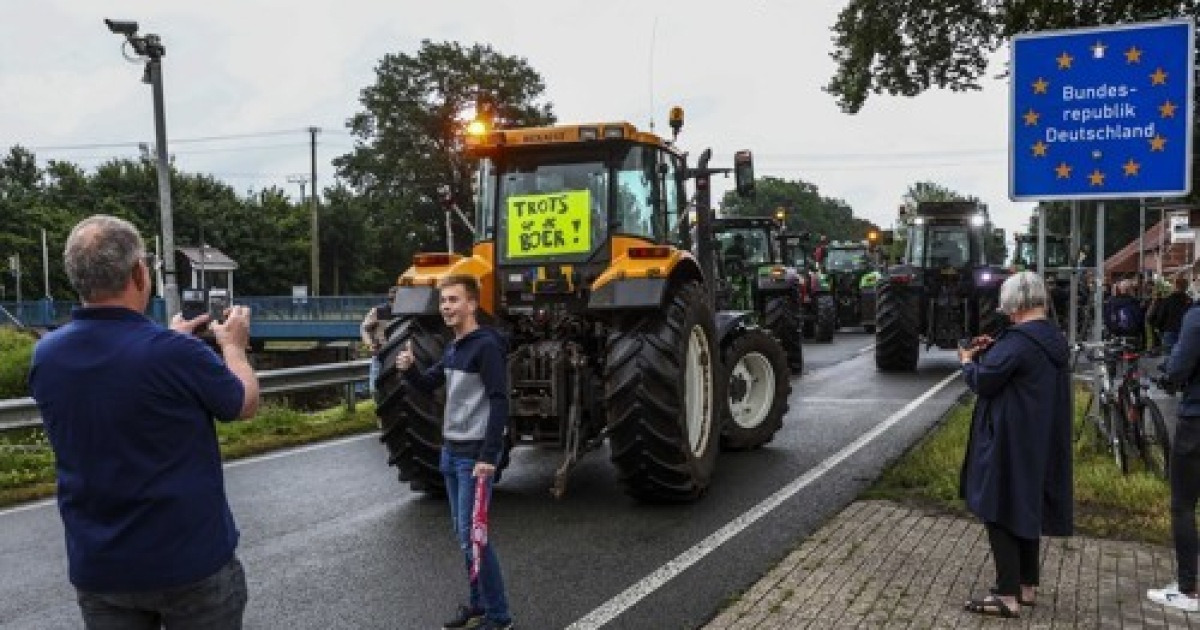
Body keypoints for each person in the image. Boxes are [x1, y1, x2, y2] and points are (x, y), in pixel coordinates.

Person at [30, 215, 260, 628]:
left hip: (101, 568)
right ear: (139, 272)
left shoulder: (48, 355)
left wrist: (173, 340)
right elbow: (241, 404)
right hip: (189, 564)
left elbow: (122, 371)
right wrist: (235, 349)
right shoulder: (174, 355)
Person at [396, 275, 514, 630]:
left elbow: (499, 401)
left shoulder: (486, 347)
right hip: (451, 453)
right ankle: (478, 605)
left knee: (474, 538)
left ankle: (500, 615)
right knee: (465, 538)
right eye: (443, 300)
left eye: (454, 300)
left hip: (473, 457)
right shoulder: (454, 347)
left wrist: (488, 456)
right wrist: (409, 369)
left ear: (472, 304)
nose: (446, 306)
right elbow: (429, 382)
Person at [958, 271, 1073, 619]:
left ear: (1017, 304)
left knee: (998, 508)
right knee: (1025, 505)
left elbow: (986, 381)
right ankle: (1026, 585)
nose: (1006, 314)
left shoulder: (1019, 341)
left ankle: (1006, 595)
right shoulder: (1052, 338)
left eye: (1008, 308)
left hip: (1009, 436)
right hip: (1039, 437)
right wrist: (994, 348)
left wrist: (967, 361)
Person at [1148, 291, 1200, 612]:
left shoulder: (1196, 317)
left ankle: (1188, 588)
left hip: (1197, 420)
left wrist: (1167, 374)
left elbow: (1180, 366)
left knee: (1183, 504)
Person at [361, 285, 398, 395]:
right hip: (381, 353)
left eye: (396, 299)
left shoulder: (406, 313)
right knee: (374, 389)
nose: (393, 302)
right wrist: (369, 344)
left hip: (398, 353)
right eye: (391, 299)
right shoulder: (378, 311)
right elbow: (364, 328)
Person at [1153, 277, 1192, 355]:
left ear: (1175, 286)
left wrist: (1158, 327)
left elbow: (1161, 316)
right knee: (1182, 356)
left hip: (1169, 331)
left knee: (1169, 356)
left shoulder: (1168, 300)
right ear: (1186, 287)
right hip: (1184, 332)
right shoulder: (1189, 301)